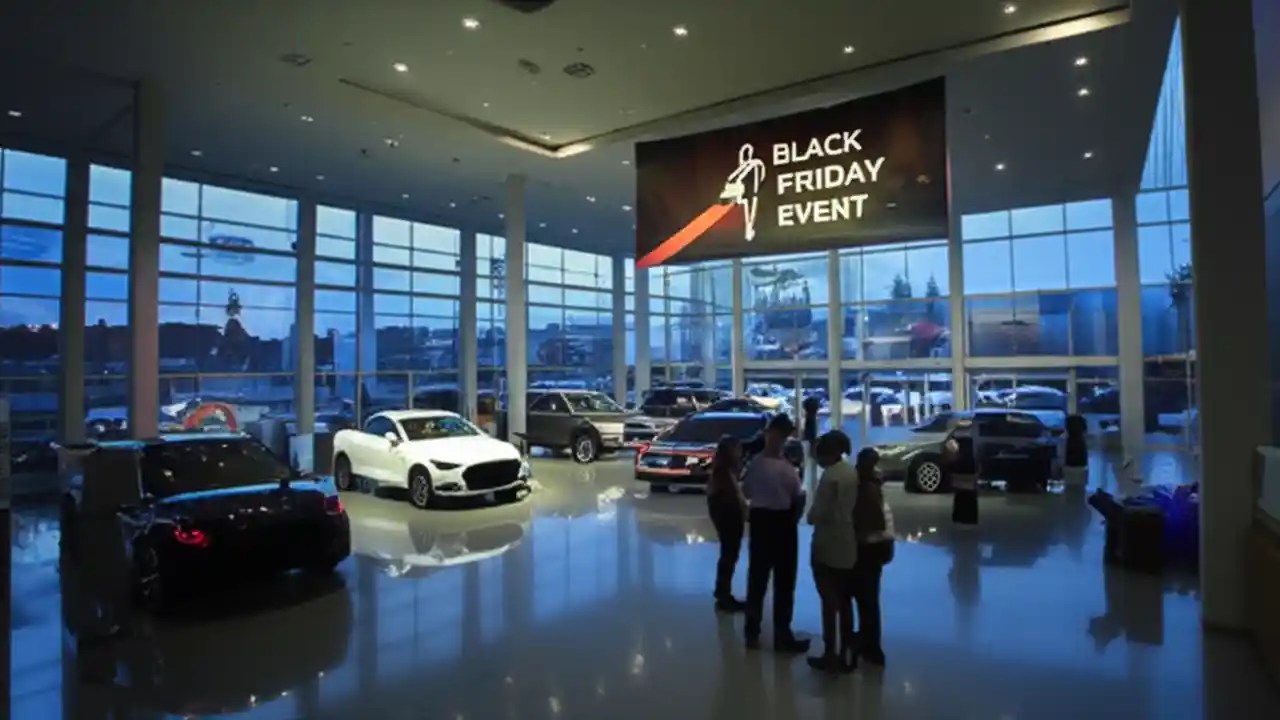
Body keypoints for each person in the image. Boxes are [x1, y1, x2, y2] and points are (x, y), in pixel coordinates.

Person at [741, 414, 809, 653]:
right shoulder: (786, 468)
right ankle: (782, 635)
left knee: (757, 579)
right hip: (782, 524)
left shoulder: (755, 464)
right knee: (784, 581)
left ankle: (752, 633)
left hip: (760, 521)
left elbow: (746, 491)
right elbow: (797, 497)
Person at [805, 430, 860, 673]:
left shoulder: (830, 477)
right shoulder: (851, 473)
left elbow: (819, 513)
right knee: (846, 601)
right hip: (849, 543)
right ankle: (848, 651)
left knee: (829, 603)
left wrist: (809, 516)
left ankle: (830, 653)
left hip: (828, 543)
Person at [852, 447, 895, 667]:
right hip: (879, 546)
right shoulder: (875, 484)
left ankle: (870, 645)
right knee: (869, 598)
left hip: (867, 548)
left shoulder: (866, 487)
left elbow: (871, 521)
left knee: (865, 598)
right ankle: (869, 640)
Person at [707, 435, 747, 612]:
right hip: (728, 517)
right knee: (729, 556)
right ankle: (723, 594)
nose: (740, 453)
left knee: (728, 556)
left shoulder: (724, 471)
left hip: (727, 517)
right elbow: (731, 497)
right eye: (737, 449)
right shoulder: (724, 474)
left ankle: (722, 592)